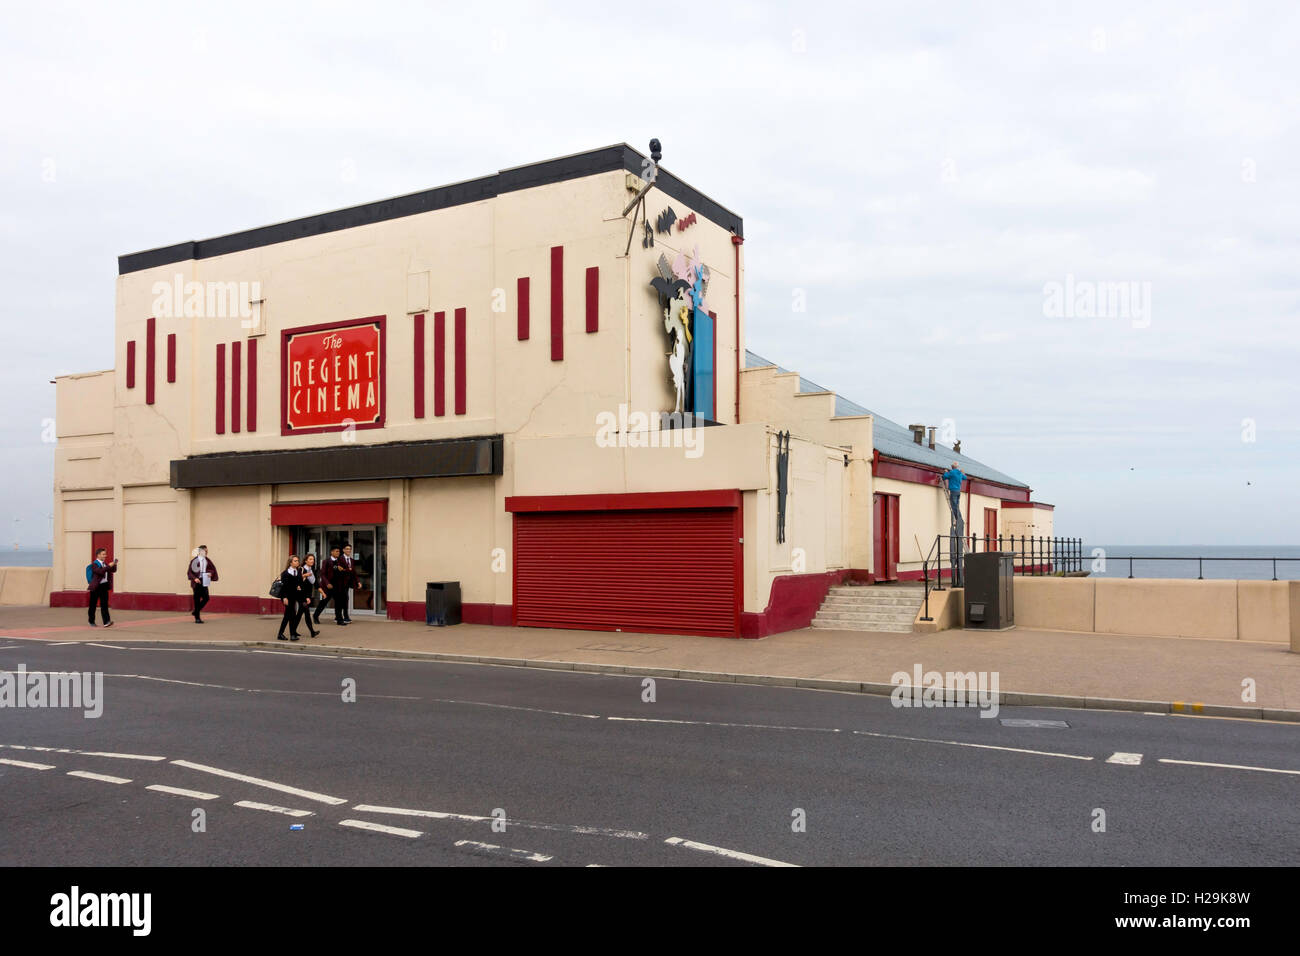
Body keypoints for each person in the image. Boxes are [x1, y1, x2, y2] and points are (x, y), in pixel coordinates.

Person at [277, 554, 309, 642]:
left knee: (287, 616)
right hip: (287, 597)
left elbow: (300, 584)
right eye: (295, 561)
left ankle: (280, 634)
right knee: (292, 615)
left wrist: (304, 595)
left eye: (298, 560)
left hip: (295, 596)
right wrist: (284, 598)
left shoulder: (298, 572)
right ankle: (292, 635)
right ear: (290, 563)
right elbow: (283, 587)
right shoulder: (285, 573)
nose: (297, 562)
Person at [186, 545, 218, 623]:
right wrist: (195, 578)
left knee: (206, 598)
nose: (207, 552)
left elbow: (212, 569)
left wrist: (210, 573)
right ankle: (197, 618)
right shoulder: (195, 561)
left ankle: (195, 611)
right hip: (197, 582)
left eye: (207, 551)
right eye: (205, 551)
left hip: (204, 581)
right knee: (197, 600)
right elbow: (190, 572)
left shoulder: (207, 560)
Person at [86, 548, 118, 627]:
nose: (105, 556)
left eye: (105, 554)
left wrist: (114, 564)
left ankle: (106, 621)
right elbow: (100, 571)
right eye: (103, 554)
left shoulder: (105, 564)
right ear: (98, 555)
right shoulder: (94, 564)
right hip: (96, 587)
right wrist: (108, 566)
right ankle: (91, 621)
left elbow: (113, 570)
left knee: (104, 605)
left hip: (104, 586)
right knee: (93, 605)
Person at [313, 545, 342, 625]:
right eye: (336, 551)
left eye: (339, 551)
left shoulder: (340, 561)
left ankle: (339, 620)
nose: (338, 553)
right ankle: (315, 616)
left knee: (338, 602)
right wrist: (327, 583)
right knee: (324, 602)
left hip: (337, 586)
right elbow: (322, 574)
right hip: (328, 586)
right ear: (331, 552)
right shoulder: (326, 561)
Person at [300, 553, 322, 639]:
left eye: (313, 559)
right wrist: (306, 597)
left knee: (300, 615)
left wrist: (322, 593)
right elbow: (301, 584)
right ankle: (312, 632)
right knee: (306, 614)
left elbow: (315, 583)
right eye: (310, 559)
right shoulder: (302, 570)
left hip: (307, 596)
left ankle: (293, 631)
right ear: (305, 561)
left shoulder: (310, 570)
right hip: (303, 596)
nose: (312, 561)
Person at [941, 461, 967, 528]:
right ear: (957, 467)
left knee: (953, 506)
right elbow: (965, 477)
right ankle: (959, 519)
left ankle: (957, 519)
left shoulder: (952, 472)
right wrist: (963, 472)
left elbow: (944, 477)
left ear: (952, 467)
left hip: (953, 491)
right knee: (957, 506)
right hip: (958, 491)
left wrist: (946, 471)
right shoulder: (960, 473)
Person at [338, 543, 360, 623]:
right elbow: (339, 571)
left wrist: (358, 582)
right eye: (347, 549)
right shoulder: (340, 559)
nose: (348, 550)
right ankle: (344, 616)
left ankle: (341, 616)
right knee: (343, 599)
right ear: (343, 550)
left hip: (347, 583)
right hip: (340, 583)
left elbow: (354, 572)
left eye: (350, 549)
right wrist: (348, 569)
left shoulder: (352, 560)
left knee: (345, 599)